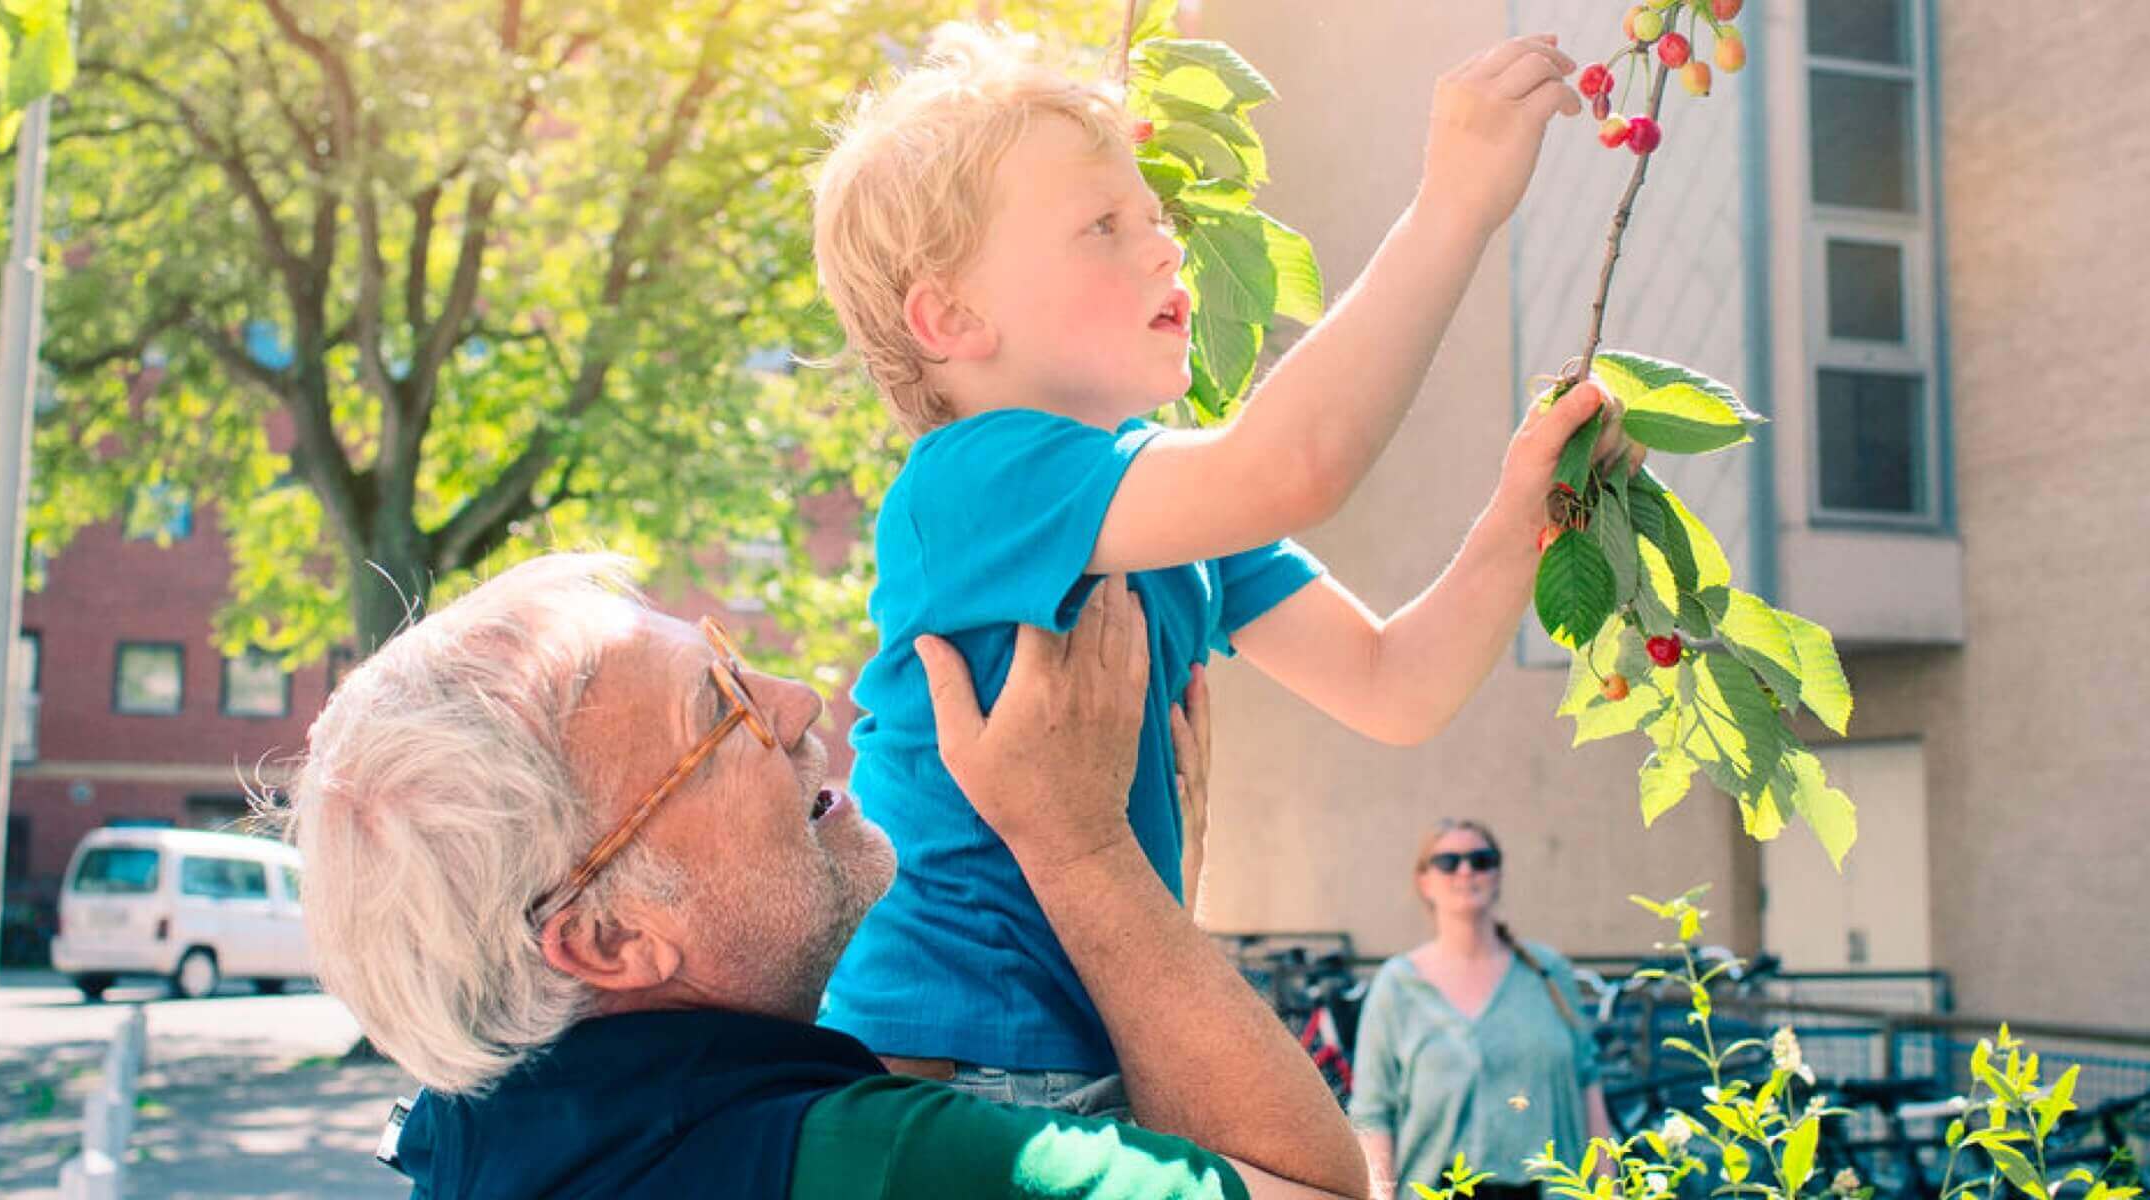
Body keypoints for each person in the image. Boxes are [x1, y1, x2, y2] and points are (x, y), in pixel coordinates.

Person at [808, 23, 1645, 1108]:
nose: (1165, 249)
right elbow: (1293, 463)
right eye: (1103, 225)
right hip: (955, 1054)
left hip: (1097, 1047)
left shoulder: (1168, 514)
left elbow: (1396, 684)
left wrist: (1529, 506)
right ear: (952, 317)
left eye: (1155, 217)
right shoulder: (973, 480)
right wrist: (1454, 204)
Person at [276, 554, 1367, 1199]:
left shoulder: (490, 1140)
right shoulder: (866, 1166)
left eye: (729, 657)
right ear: (611, 937)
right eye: (722, 713)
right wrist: (1089, 851)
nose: (799, 699)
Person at [1346, 820, 1616, 1200]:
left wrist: (1608, 1191)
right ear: (1425, 882)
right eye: (1448, 862)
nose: (1466, 871)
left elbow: (1588, 1085)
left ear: (1498, 874)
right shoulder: (1398, 985)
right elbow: (1373, 1115)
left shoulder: (1548, 972)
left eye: (1480, 860)